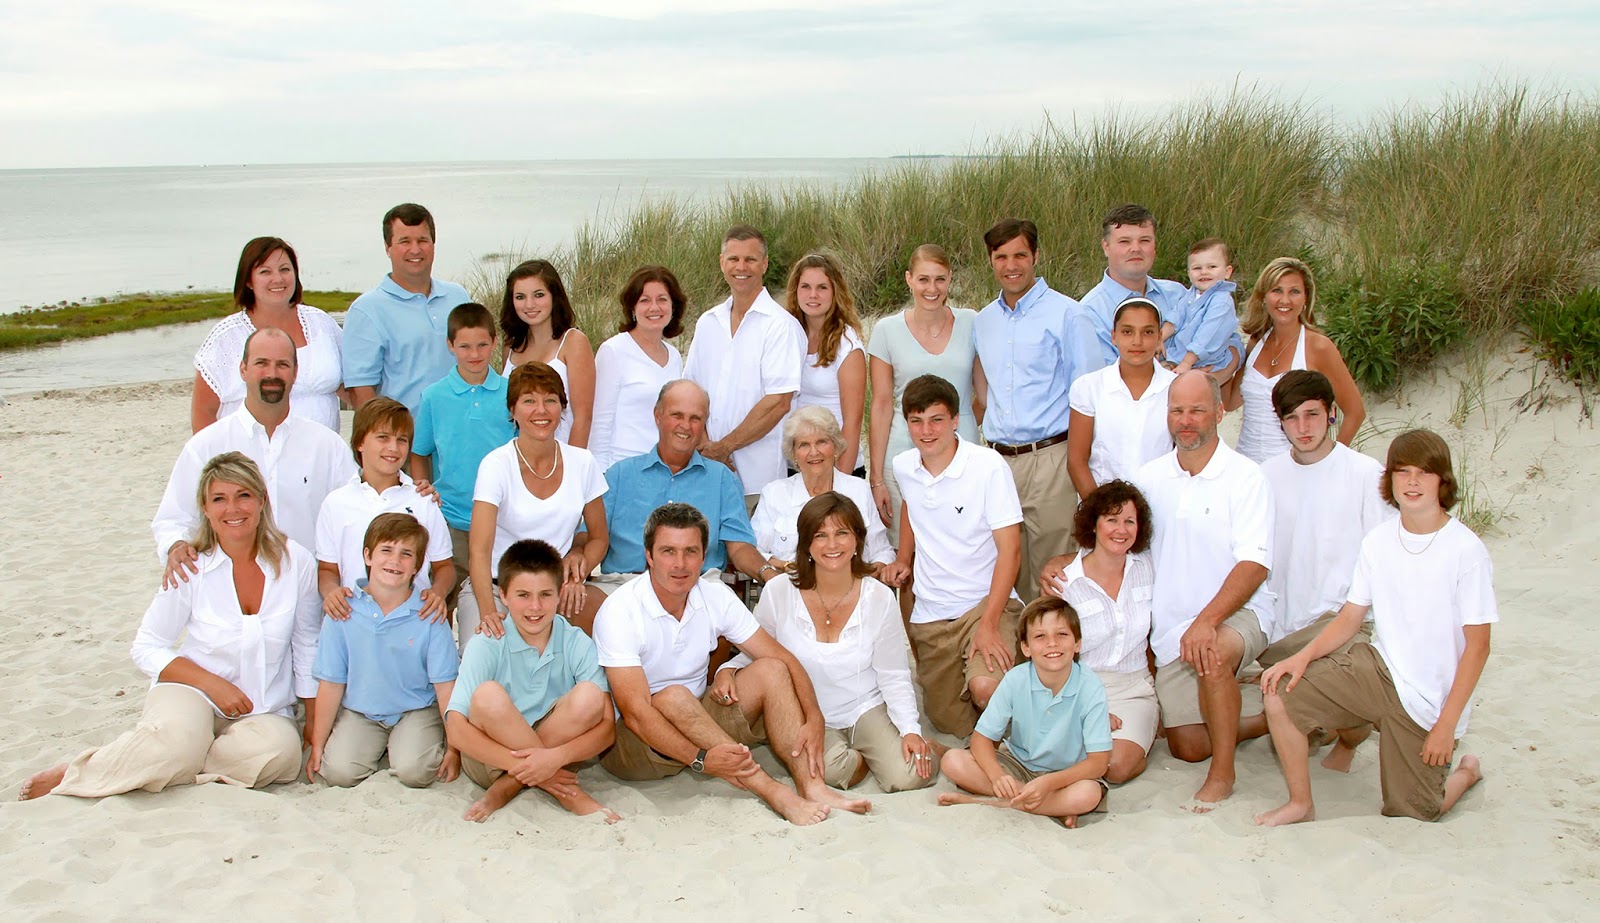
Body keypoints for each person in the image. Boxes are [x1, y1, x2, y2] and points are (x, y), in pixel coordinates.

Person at [21, 453, 319, 800]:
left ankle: (169, 762)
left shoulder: (296, 561)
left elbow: (307, 643)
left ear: (262, 500)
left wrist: (312, 724)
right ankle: (80, 771)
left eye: (243, 495)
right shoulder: (190, 565)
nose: (233, 509)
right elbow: (146, 646)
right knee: (175, 744)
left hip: (263, 707)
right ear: (205, 508)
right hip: (192, 692)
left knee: (280, 755)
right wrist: (213, 684)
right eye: (219, 499)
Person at [1256, 429, 1492, 825]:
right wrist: (1300, 658)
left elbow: (1478, 647)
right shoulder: (1378, 541)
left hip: (1429, 702)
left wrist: (1446, 726)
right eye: (1403, 472)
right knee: (1279, 692)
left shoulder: (1466, 551)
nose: (1412, 482)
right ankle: (1300, 803)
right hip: (1379, 671)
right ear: (1390, 480)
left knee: (1417, 810)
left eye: (1424, 472)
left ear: (1442, 481)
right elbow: (1351, 617)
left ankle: (1467, 772)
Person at [594, 503, 872, 824]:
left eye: (690, 551)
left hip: (698, 722)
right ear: (649, 556)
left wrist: (814, 716)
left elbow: (783, 658)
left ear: (704, 556)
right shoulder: (621, 610)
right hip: (635, 747)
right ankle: (772, 791)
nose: (680, 564)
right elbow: (636, 714)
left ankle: (812, 787)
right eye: (668, 551)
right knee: (672, 696)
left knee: (772, 670)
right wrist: (701, 759)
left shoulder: (715, 595)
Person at [715, 493, 935, 793]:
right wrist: (728, 669)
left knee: (908, 776)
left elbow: (894, 674)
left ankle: (914, 747)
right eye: (820, 535)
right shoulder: (779, 591)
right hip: (807, 712)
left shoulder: (879, 597)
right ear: (806, 543)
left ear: (857, 540)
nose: (832, 545)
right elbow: (759, 649)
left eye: (842, 533)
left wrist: (910, 730)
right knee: (828, 772)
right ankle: (863, 758)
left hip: (865, 706)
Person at [1134, 371, 1275, 810]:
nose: (1185, 420)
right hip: (1174, 629)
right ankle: (1276, 713)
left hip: (1239, 612)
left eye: (1196, 410)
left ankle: (1223, 775)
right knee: (1188, 745)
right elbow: (1124, 545)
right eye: (1177, 410)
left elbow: (1254, 565)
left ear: (1218, 412)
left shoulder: (1246, 477)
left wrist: (1207, 621)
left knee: (1212, 655)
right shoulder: (1150, 478)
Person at [1257, 370, 1395, 770]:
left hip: (1341, 623)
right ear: (1280, 422)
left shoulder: (1366, 474)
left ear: (1332, 412)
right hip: (1283, 630)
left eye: (1312, 415)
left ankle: (1350, 736)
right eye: (1291, 418)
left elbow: (1385, 558)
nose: (1303, 428)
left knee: (1344, 709)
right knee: (1285, 714)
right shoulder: (1265, 476)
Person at [878, 375, 1023, 738]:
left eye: (936, 420)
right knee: (949, 724)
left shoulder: (988, 466)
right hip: (933, 614)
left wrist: (989, 624)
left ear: (956, 420)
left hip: (985, 604)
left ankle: (1018, 721)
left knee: (985, 690)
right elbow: (911, 507)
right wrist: (904, 559)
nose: (926, 431)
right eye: (916, 421)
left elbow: (1011, 551)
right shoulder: (903, 465)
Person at [155, 328, 355, 587]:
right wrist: (176, 546)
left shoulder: (328, 446)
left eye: (282, 364)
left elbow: (354, 515)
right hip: (229, 593)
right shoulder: (206, 446)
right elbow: (173, 519)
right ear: (243, 369)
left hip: (308, 593)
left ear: (295, 372)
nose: (272, 373)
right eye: (261, 363)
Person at [972, 218, 1104, 602]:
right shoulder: (983, 321)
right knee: (1006, 568)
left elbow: (1089, 395)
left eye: (1020, 255)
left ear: (1036, 256)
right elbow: (985, 390)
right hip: (999, 461)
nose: (1011, 265)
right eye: (1001, 257)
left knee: (1052, 573)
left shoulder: (1069, 314)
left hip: (1050, 460)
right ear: (990, 260)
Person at [445, 540, 618, 823]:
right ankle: (568, 794)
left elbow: (607, 728)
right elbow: (456, 730)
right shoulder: (487, 642)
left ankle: (506, 789)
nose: (535, 606)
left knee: (590, 695)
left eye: (545, 594)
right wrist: (539, 768)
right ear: (503, 595)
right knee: (487, 695)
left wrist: (554, 759)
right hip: (492, 759)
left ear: (560, 593)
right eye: (523, 595)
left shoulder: (576, 641)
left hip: (557, 753)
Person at [308, 513, 460, 788]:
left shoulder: (429, 614)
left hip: (416, 709)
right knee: (339, 774)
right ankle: (378, 746)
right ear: (368, 555)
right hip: (362, 712)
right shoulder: (343, 610)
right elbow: (330, 683)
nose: (395, 561)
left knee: (415, 772)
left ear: (417, 567)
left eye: (406, 554)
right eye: (386, 550)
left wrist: (454, 748)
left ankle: (412, 743)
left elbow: (445, 687)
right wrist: (317, 745)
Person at [461, 363, 608, 646]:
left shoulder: (582, 462)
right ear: (513, 410)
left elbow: (599, 538)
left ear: (562, 408)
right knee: (482, 651)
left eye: (550, 400)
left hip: (556, 589)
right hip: (498, 588)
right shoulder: (496, 465)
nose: (541, 410)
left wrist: (576, 574)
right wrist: (489, 612)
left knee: (609, 625)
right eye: (529, 401)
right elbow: (479, 551)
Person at [937, 596, 1111, 827]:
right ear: (1025, 648)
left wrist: (1049, 783)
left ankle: (990, 802)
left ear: (1077, 643)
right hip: (1018, 764)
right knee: (953, 761)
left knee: (1088, 794)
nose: (1052, 643)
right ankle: (1051, 807)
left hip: (1066, 776)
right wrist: (998, 776)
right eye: (1040, 636)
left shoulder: (1091, 686)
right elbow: (981, 739)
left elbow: (1099, 762)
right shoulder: (1015, 679)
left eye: (1062, 634)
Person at [1040, 480, 1159, 784]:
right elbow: (1048, 655)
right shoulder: (1063, 581)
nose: (1121, 529)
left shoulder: (1149, 568)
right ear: (1094, 524)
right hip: (1078, 688)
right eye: (1111, 519)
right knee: (1060, 757)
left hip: (1133, 689)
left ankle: (1141, 739)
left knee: (1114, 766)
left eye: (1129, 521)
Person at [867, 244, 986, 547]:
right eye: (923, 279)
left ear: (950, 279)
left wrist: (961, 422)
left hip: (962, 457)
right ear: (909, 279)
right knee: (906, 552)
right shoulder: (886, 331)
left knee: (963, 545)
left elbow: (984, 394)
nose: (932, 289)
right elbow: (881, 405)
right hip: (903, 456)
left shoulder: (972, 322)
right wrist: (877, 478)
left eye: (939, 279)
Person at [591, 380, 766, 584]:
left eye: (695, 418)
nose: (685, 426)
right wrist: (575, 569)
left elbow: (740, 546)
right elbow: (590, 538)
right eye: (677, 415)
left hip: (699, 587)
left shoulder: (722, 479)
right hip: (624, 585)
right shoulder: (620, 475)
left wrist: (768, 573)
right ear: (658, 416)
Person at [683, 225, 805, 503]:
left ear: (764, 264)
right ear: (721, 262)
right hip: (706, 472)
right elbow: (691, 391)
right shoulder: (708, 323)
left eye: (750, 259)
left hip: (759, 481)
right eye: (733, 259)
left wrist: (724, 447)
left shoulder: (780, 326)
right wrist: (705, 446)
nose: (741, 267)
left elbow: (778, 402)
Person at [410, 303, 517, 611]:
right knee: (442, 601)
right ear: (450, 345)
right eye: (465, 346)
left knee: (501, 602)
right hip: (451, 517)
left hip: (501, 519)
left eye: (482, 345)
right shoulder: (434, 396)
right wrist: (423, 494)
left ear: (495, 342)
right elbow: (419, 452)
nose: (474, 354)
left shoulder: (511, 392)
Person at [315, 398, 454, 622]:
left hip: (411, 621)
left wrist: (438, 592)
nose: (393, 448)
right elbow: (327, 569)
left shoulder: (422, 500)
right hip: (353, 620)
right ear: (360, 442)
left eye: (402, 440)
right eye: (383, 437)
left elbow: (444, 566)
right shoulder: (335, 503)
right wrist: (331, 592)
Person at [192, 236, 344, 432]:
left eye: (285, 269)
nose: (278, 279)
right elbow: (203, 411)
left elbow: (351, 386)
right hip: (247, 450)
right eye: (265, 271)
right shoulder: (227, 336)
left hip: (322, 450)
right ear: (248, 281)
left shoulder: (321, 323)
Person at [1226, 256, 1365, 463]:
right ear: (1264, 297)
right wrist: (1219, 356)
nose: (1285, 300)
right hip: (1247, 467)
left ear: (1306, 298)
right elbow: (1229, 402)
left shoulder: (1318, 346)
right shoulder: (1256, 342)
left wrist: (1330, 462)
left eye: (1294, 291)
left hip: (1296, 467)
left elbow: (1355, 412)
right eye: (1277, 290)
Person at [343, 203, 471, 413]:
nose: (415, 249)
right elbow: (361, 391)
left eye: (422, 240)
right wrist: (385, 432)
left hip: (462, 427)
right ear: (387, 248)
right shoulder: (366, 309)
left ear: (433, 244)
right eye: (405, 241)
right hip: (405, 431)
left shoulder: (458, 297)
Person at [751, 406, 893, 575]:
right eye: (804, 445)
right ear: (793, 454)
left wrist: (868, 576)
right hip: (793, 585)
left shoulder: (859, 490)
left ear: (836, 447)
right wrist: (786, 566)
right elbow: (754, 552)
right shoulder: (775, 494)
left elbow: (883, 552)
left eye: (821, 442)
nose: (814, 452)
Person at [1063, 297, 1176, 501]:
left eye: (1147, 332)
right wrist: (1104, 512)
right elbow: (1077, 461)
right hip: (1103, 507)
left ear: (1159, 337)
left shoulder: (1176, 388)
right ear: (1114, 336)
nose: (1137, 341)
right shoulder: (1089, 387)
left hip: (1162, 504)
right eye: (1127, 332)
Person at [589, 266, 686, 470]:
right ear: (632, 308)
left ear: (673, 306)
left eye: (662, 299)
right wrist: (602, 476)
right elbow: (599, 423)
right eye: (644, 300)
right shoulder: (614, 351)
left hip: (664, 468)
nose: (654, 307)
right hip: (623, 468)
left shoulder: (674, 356)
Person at [785, 253, 866, 474]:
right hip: (796, 466)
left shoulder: (847, 345)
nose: (813, 295)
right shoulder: (788, 335)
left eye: (822, 287)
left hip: (836, 466)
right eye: (805, 287)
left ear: (835, 291)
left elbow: (853, 422)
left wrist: (839, 481)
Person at [1079, 204, 1189, 366]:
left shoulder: (1178, 295)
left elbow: (1221, 345)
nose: (1136, 249)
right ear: (1106, 247)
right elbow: (1109, 378)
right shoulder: (1089, 313)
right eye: (1124, 241)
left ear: (1155, 245)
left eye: (1144, 240)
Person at [500, 259, 594, 447]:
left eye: (539, 295)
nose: (529, 304)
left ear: (554, 296)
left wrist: (572, 462)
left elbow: (583, 418)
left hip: (561, 453)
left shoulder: (573, 342)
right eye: (520, 297)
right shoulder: (510, 346)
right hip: (521, 455)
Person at [1164, 238, 1245, 381]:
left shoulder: (1221, 301)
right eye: (1197, 268)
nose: (1204, 272)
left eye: (1212, 267)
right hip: (1180, 355)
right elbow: (1176, 318)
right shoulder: (1190, 295)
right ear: (1189, 273)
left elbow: (1207, 336)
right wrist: (1159, 338)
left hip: (1204, 359)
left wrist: (1186, 363)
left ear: (1227, 272)